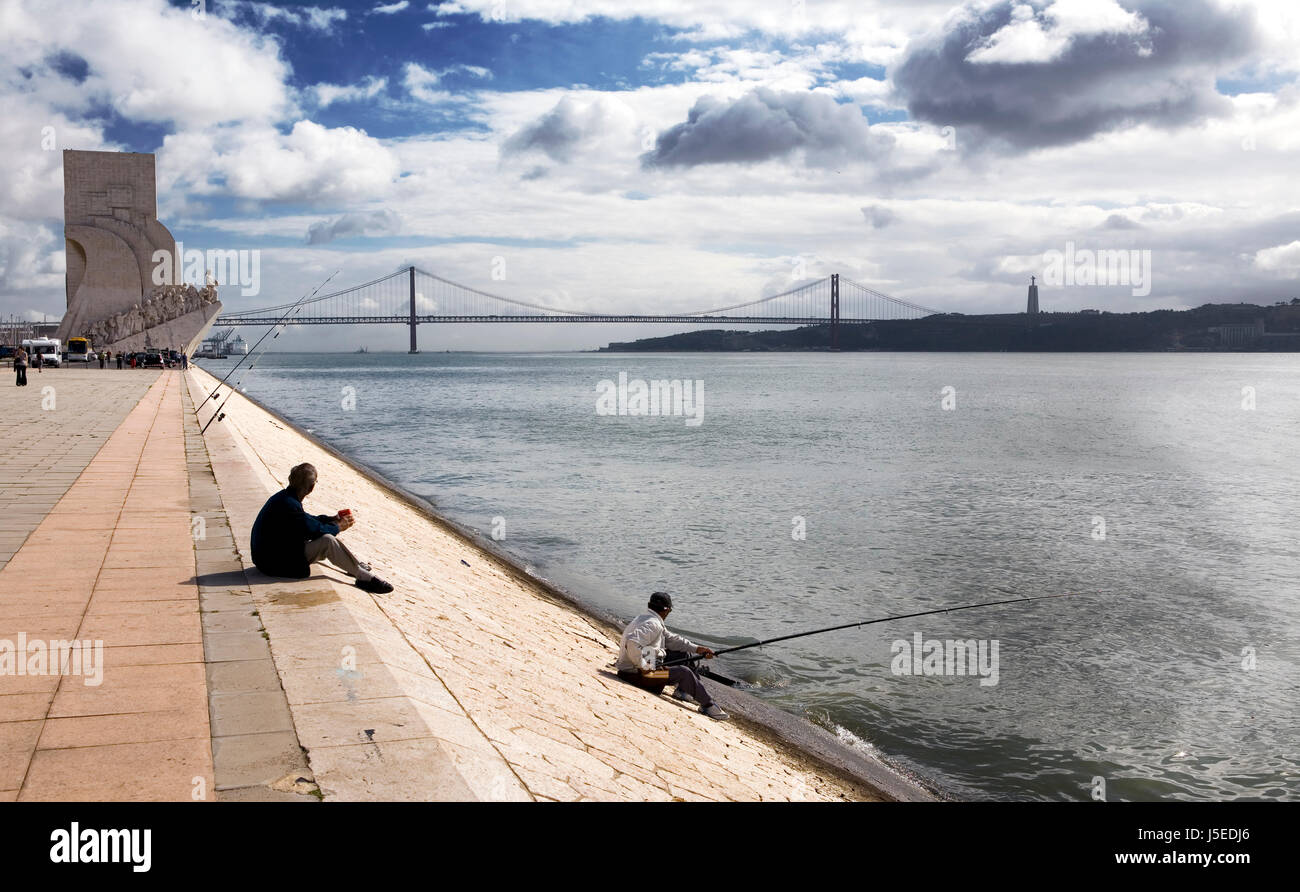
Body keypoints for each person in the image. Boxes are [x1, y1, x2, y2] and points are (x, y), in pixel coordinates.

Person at [250, 462, 393, 594]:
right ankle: (363, 576)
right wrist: (338, 526)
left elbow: (307, 520)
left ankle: (354, 565)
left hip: (266, 558)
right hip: (273, 563)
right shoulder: (289, 504)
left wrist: (330, 519)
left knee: (325, 537)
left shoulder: (284, 498)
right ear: (311, 487)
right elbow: (316, 530)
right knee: (327, 541)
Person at [617, 592, 729, 720]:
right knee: (684, 672)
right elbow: (632, 643)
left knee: (682, 654)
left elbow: (672, 640)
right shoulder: (653, 624)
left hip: (636, 670)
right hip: (642, 676)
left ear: (650, 605)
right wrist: (645, 668)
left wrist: (698, 649)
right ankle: (709, 706)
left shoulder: (646, 619)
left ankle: (683, 691)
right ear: (667, 610)